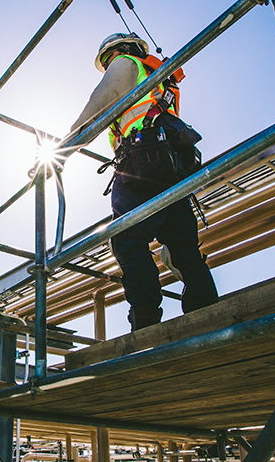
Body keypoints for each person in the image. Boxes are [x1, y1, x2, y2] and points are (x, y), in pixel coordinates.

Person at [68, 33, 219, 331]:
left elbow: (101, 100)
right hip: (171, 164)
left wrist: (63, 148)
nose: (109, 66)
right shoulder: (158, 78)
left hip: (141, 161)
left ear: (115, 52)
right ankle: (207, 315)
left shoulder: (125, 63)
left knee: (127, 237)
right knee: (183, 246)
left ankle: (145, 323)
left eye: (107, 61)